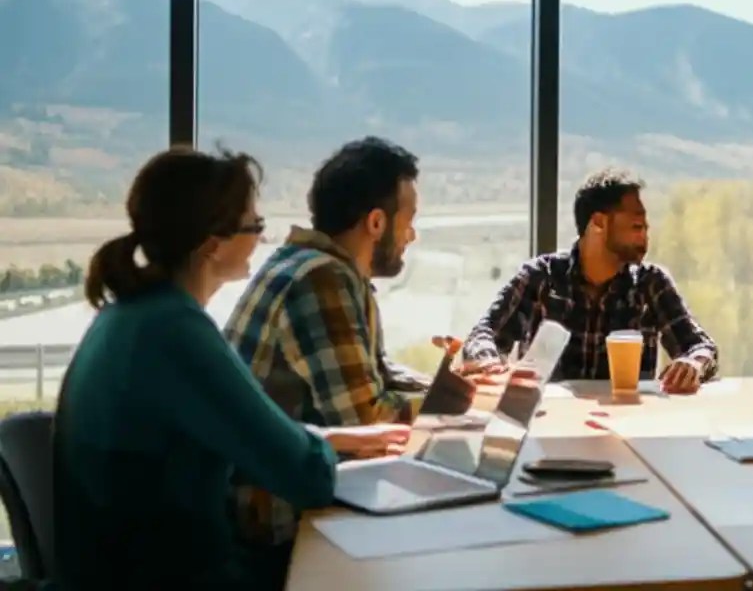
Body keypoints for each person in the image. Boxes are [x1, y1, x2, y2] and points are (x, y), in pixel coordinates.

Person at [53, 147, 409, 590]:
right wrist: (320, 448)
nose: (262, 239)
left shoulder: (132, 315)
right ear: (212, 245)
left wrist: (328, 438)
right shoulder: (176, 332)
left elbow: (240, 434)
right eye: (255, 225)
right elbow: (305, 476)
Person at [223, 137, 472, 554]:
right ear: (376, 222)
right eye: (408, 220)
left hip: (276, 493)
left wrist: (451, 385)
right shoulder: (321, 281)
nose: (411, 235)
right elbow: (365, 419)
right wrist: (456, 406)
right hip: (273, 518)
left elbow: (373, 370)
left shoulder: (305, 262)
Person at [459, 168, 717, 394]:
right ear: (598, 223)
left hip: (627, 431)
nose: (645, 239)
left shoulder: (651, 283)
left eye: (646, 229)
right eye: (636, 227)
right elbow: (484, 334)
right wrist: (488, 363)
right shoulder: (541, 277)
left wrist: (693, 364)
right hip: (550, 427)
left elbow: (700, 347)